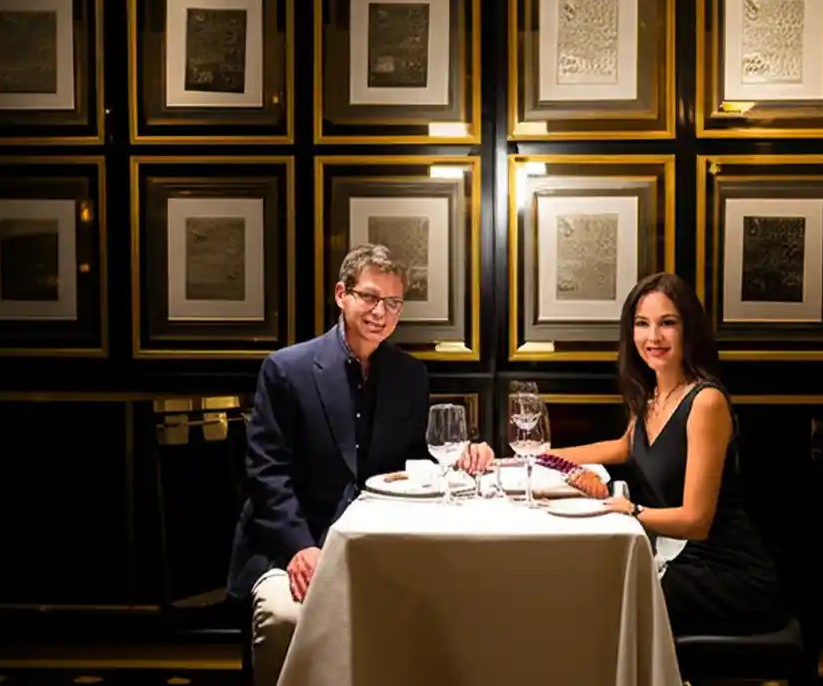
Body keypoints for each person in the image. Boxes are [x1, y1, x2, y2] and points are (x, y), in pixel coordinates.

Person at [226, 243, 493, 686]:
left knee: (450, 609)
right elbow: (268, 476)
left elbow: (418, 460)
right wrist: (300, 548)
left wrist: (466, 455)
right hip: (295, 542)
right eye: (369, 297)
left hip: (378, 547)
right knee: (284, 618)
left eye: (392, 303)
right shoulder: (286, 370)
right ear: (341, 295)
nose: (380, 312)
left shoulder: (410, 375)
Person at [554, 272, 786, 636]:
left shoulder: (705, 401)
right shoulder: (652, 394)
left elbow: (697, 521)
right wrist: (543, 456)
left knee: (601, 600)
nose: (653, 337)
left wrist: (633, 511)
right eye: (642, 324)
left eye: (667, 323)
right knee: (587, 581)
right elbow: (624, 447)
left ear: (688, 330)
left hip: (727, 574)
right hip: (681, 559)